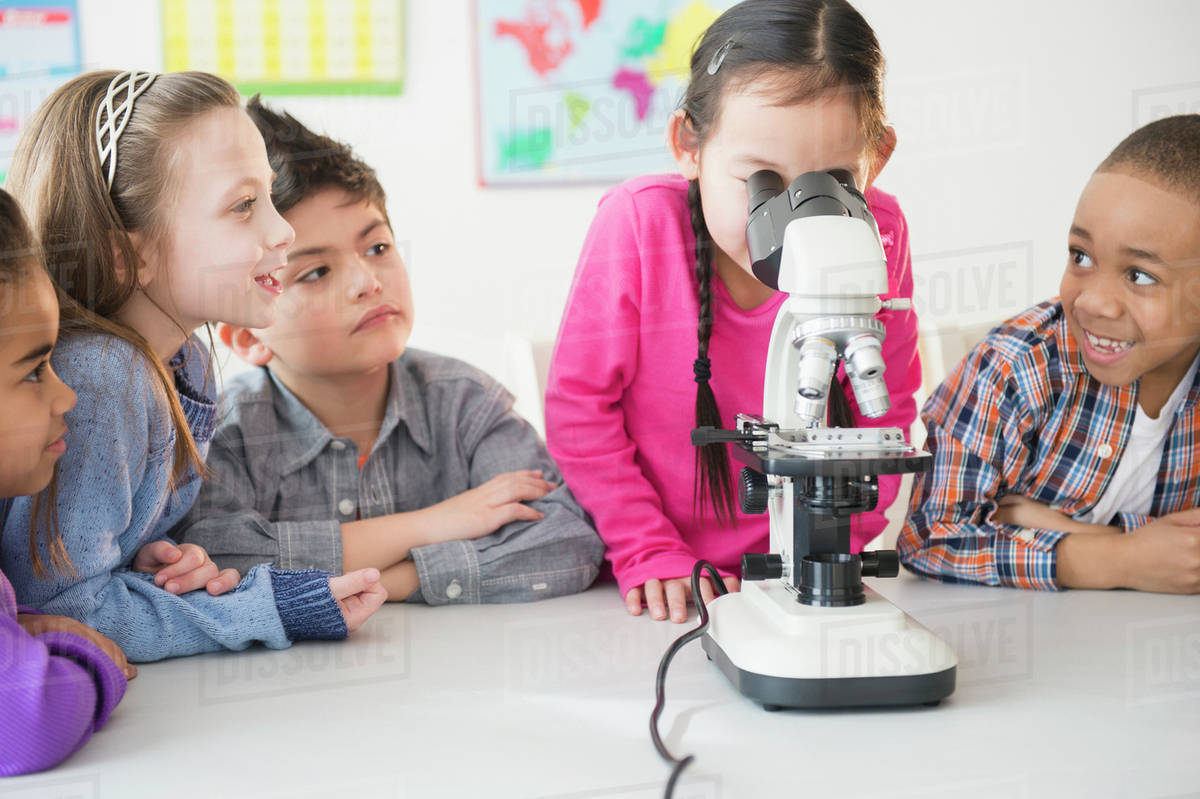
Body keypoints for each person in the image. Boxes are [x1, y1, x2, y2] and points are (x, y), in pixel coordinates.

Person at [544, 0, 920, 622]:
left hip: (804, 559)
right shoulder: (637, 224)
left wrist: (832, 550)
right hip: (664, 575)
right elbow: (580, 409)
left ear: (875, 159)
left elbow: (892, 407)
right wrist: (649, 547)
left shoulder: (881, 231)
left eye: (833, 181)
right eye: (763, 181)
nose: (794, 220)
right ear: (688, 144)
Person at [1, 70, 386, 663]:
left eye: (269, 199)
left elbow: (106, 560)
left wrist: (156, 563)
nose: (282, 230)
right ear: (128, 255)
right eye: (243, 206)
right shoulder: (103, 377)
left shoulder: (189, 362)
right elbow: (68, 612)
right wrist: (270, 608)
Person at [172, 96, 604, 604]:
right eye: (315, 272)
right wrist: (435, 524)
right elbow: (216, 557)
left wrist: (403, 579)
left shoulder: (466, 402)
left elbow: (566, 540)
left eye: (377, 248)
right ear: (248, 337)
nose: (366, 282)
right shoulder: (225, 433)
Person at [901, 114, 1200, 593]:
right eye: (1081, 256)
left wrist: (1066, 532)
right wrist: (1122, 559)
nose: (1093, 302)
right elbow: (929, 536)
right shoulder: (1015, 366)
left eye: (1139, 275)